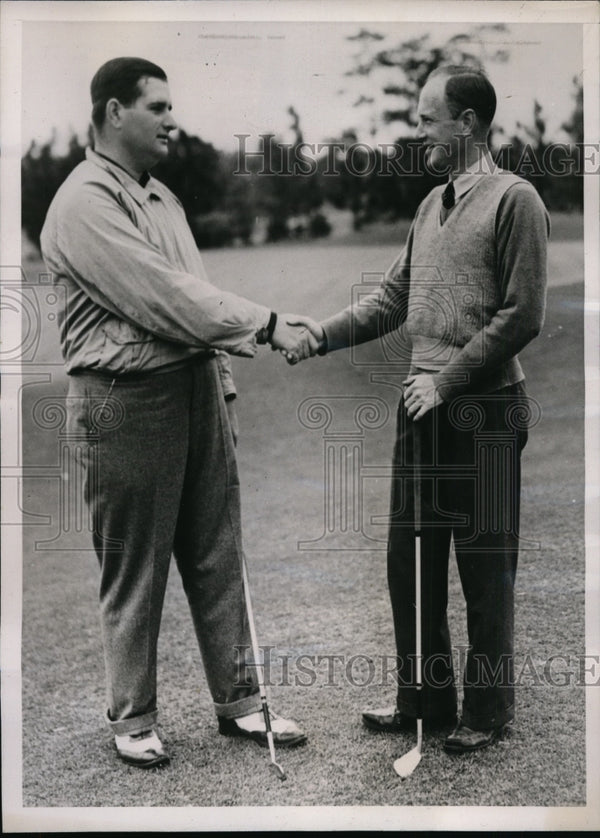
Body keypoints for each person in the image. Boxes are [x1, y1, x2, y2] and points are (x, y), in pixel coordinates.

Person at [40, 57, 318, 768]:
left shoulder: (161, 196)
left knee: (219, 553)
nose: (172, 119)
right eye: (158, 107)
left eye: (172, 107)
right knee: (136, 568)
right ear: (112, 113)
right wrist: (265, 322)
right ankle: (133, 716)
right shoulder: (82, 204)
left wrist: (220, 388)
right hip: (123, 401)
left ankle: (243, 702)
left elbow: (191, 299)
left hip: (194, 389)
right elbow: (165, 298)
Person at [294, 65, 549, 753]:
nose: (419, 130)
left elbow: (523, 314)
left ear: (466, 123)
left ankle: (488, 711)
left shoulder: (515, 200)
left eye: (428, 116)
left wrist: (448, 381)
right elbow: (389, 302)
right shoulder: (430, 206)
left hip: (486, 411)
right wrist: (320, 335)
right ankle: (426, 701)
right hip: (421, 405)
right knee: (411, 562)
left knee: (485, 567)